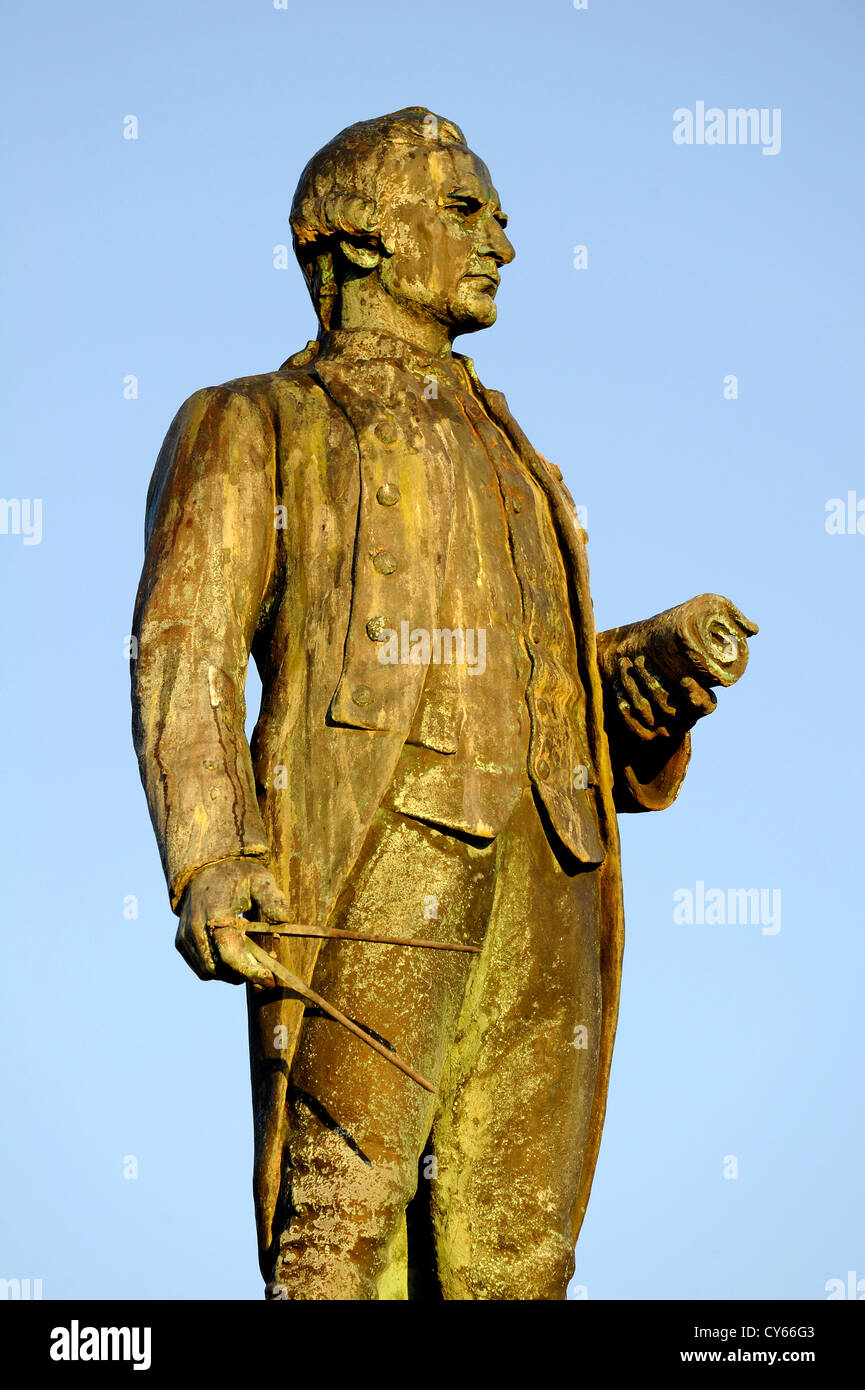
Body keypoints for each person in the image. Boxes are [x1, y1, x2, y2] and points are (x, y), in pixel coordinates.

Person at [131, 107, 716, 1300]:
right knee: (341, 1226)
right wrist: (212, 856)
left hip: (550, 861)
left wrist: (645, 686)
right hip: (374, 855)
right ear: (353, 235)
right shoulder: (250, 419)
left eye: (496, 216)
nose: (503, 239)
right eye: (467, 210)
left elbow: (541, 682)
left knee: (523, 1253)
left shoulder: (519, 453)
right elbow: (183, 651)